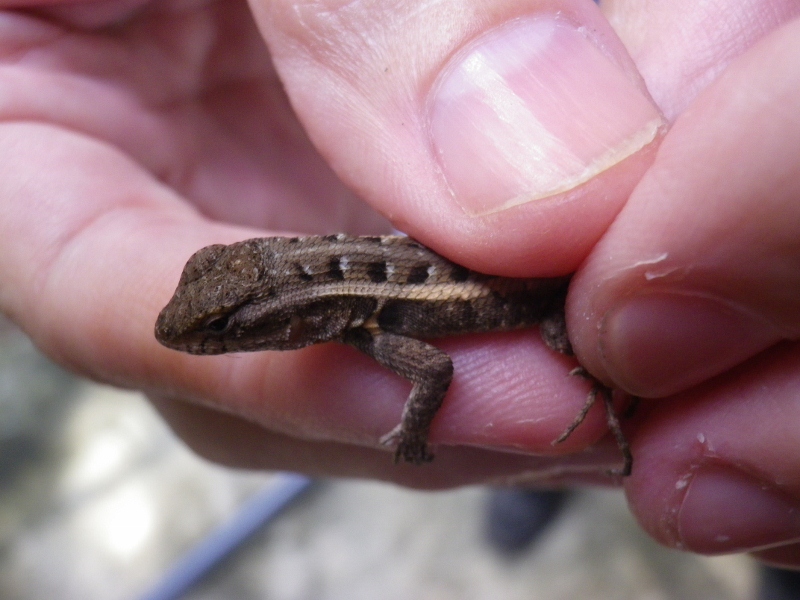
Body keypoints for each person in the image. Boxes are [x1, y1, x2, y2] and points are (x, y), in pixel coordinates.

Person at [2, 0, 800, 569]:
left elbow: (437, 367)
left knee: (599, 357)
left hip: (577, 276)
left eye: (228, 332)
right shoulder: (354, 297)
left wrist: (414, 433)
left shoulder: (377, 330)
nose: (205, 346)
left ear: (288, 322)